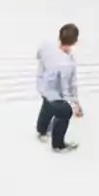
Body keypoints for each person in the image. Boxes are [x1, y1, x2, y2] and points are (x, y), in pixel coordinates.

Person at [35, 23, 82, 153]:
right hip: (55, 93)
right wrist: (75, 106)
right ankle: (58, 145)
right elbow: (67, 89)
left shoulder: (47, 45)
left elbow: (38, 55)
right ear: (74, 42)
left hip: (42, 85)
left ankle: (42, 130)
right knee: (64, 112)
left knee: (47, 105)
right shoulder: (67, 64)